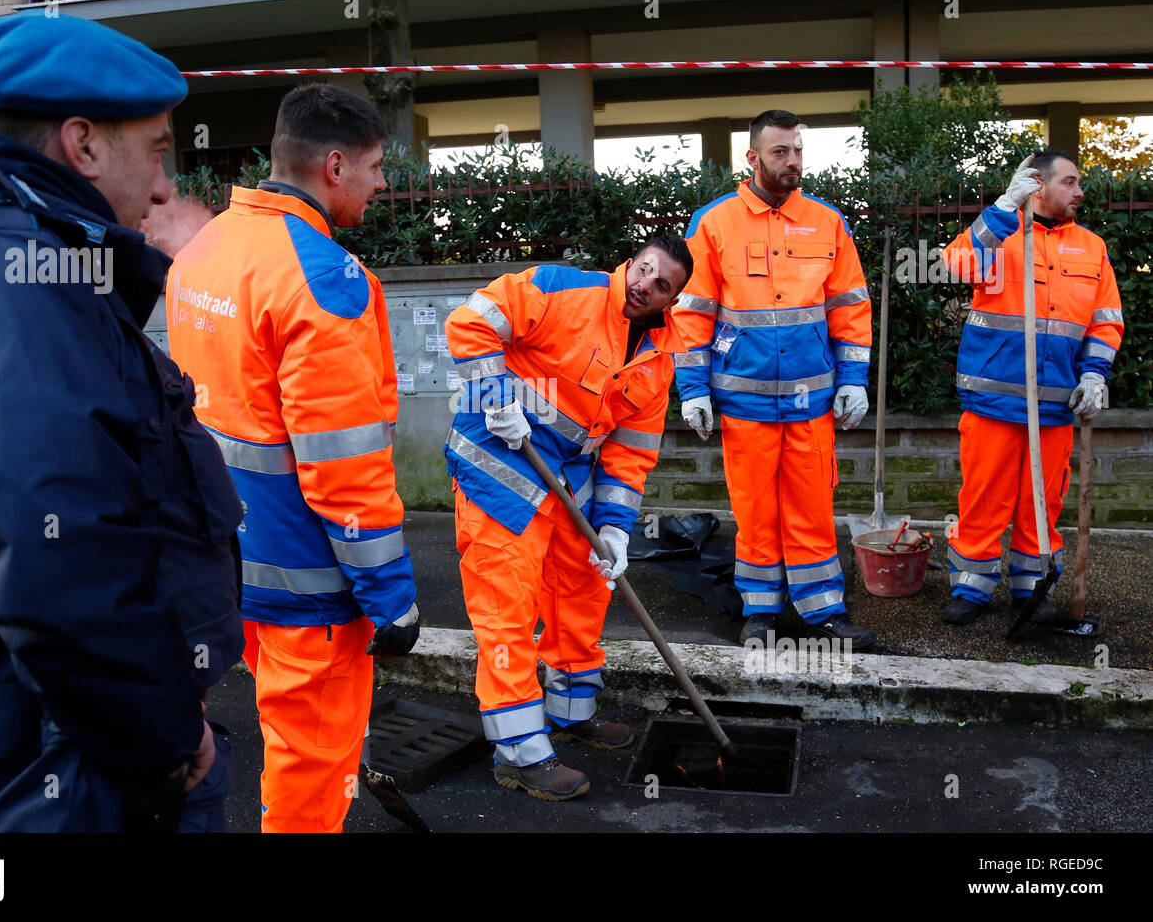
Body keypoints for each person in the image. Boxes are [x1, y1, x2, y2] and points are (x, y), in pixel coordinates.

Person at [0, 13, 243, 832]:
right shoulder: (7, 279)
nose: (168, 187)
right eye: (160, 150)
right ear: (84, 145)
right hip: (33, 767)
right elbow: (55, 562)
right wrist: (170, 737)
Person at [166, 84, 419, 833]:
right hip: (307, 581)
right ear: (334, 166)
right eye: (375, 167)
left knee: (278, 745)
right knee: (312, 764)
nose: (382, 183)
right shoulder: (326, 281)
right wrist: (392, 595)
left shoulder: (206, 247)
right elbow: (345, 465)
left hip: (227, 558)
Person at [444, 236, 692, 800]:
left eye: (661, 286)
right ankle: (520, 753)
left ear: (671, 301)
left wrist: (613, 528)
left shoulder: (657, 360)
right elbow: (471, 321)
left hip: (567, 480)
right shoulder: (562, 288)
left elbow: (630, 452)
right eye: (644, 271)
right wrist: (496, 393)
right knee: (507, 609)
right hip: (499, 465)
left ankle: (571, 710)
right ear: (631, 261)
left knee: (582, 590)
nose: (645, 286)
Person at [673, 109, 876, 649]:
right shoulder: (713, 223)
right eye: (780, 152)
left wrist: (854, 378)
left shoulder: (829, 221)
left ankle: (822, 610)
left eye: (798, 151)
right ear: (753, 157)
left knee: (812, 506)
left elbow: (851, 306)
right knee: (755, 509)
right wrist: (692, 389)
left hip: (813, 400)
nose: (792, 161)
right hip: (744, 401)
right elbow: (691, 311)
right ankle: (760, 609)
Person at [941, 149, 1123, 625]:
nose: (1080, 191)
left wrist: (1093, 374)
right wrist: (1002, 209)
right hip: (993, 399)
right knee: (984, 496)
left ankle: (1031, 588)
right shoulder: (1001, 235)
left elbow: (1105, 322)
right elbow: (957, 266)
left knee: (1043, 502)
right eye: (1070, 182)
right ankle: (970, 589)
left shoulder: (1092, 247)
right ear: (1038, 186)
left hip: (1058, 402)